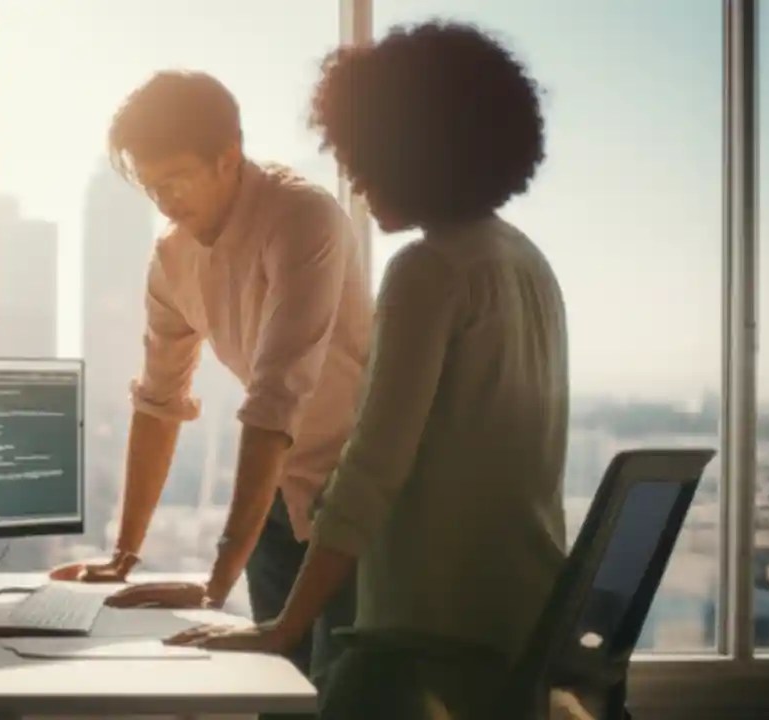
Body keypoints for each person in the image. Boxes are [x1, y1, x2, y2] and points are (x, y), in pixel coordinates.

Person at [168, 22, 570, 720]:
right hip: (524, 629)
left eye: (362, 155)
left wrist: (285, 627)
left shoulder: (428, 270)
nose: (352, 176)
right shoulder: (527, 263)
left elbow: (370, 471)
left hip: (427, 646)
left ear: (415, 152)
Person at [51, 69, 374, 703]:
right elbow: (158, 403)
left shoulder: (302, 217)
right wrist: (124, 554)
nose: (165, 202)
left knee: (344, 695)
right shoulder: (172, 260)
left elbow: (276, 398)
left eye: (176, 180)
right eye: (152, 187)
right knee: (279, 692)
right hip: (276, 495)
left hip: (356, 493)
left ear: (228, 157)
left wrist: (216, 583)